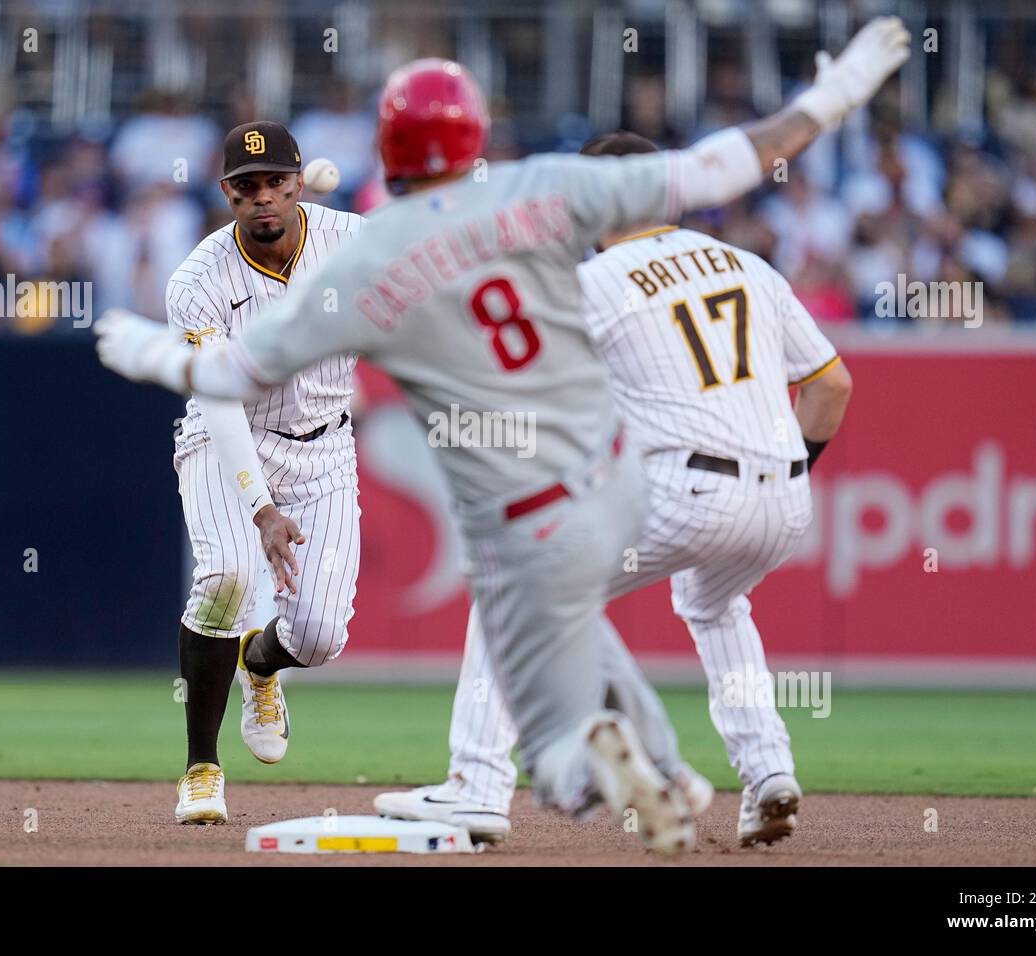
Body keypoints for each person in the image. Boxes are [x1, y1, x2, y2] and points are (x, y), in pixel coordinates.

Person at [96, 18, 909, 852]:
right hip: (613, 477)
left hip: (514, 493)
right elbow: (722, 162)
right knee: (588, 622)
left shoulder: (373, 257)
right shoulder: (547, 190)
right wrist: (837, 91)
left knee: (529, 649)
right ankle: (655, 765)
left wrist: (144, 350)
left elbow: (229, 375)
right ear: (476, 137)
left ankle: (524, 778)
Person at [374, 131, 853, 847]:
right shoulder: (748, 265)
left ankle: (476, 786)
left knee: (516, 576)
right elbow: (831, 386)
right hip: (786, 497)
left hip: (687, 486)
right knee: (715, 603)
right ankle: (769, 771)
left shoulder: (598, 280)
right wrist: (784, 478)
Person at [162, 121, 364, 824]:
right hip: (229, 440)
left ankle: (262, 663)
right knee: (226, 579)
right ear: (227, 195)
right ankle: (200, 769)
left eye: (277, 182)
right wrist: (260, 510)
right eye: (248, 187)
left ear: (298, 184)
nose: (264, 198)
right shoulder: (197, 280)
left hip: (327, 449)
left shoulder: (351, 243)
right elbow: (217, 400)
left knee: (320, 637)